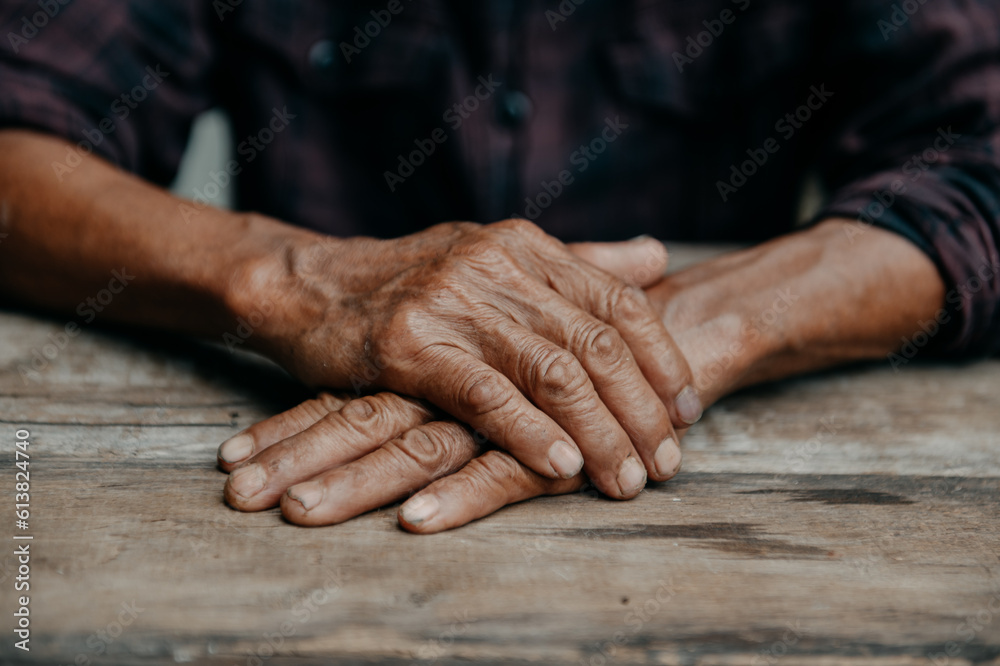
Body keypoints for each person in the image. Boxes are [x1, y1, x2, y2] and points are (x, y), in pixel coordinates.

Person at [0, 1, 997, 533]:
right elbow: (19, 129)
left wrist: (660, 340)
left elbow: (981, 151)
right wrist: (299, 281)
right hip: (307, 457)